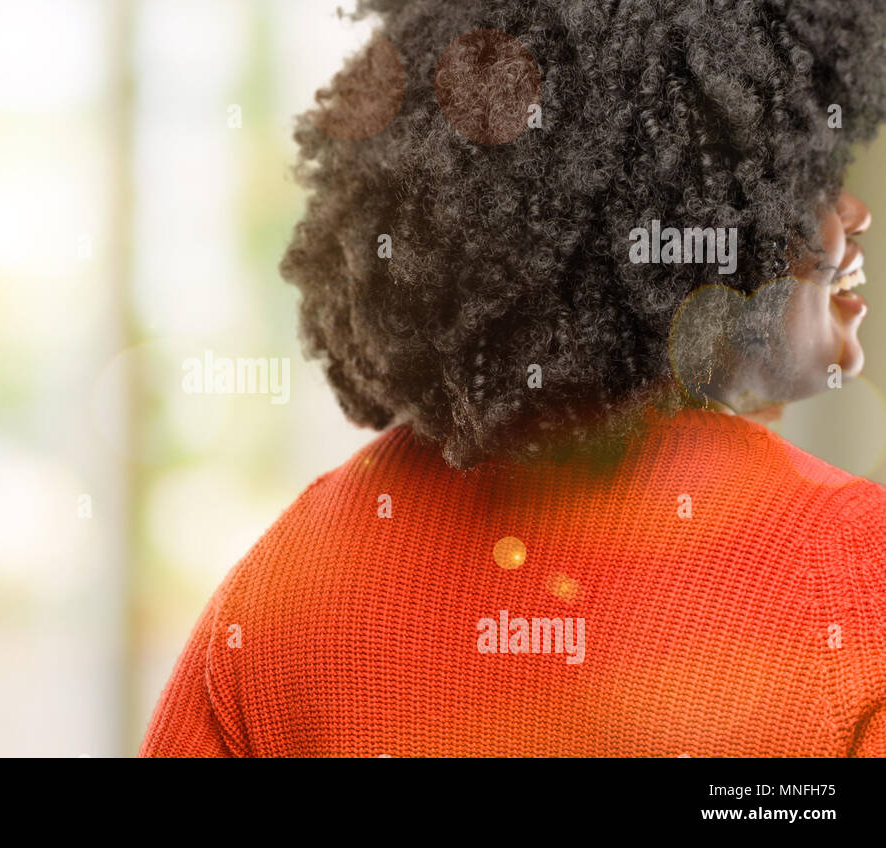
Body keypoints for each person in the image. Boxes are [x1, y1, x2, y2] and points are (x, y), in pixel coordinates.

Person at [141, 0, 886, 757]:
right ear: (689, 211)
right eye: (806, 172)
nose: (853, 212)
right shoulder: (858, 575)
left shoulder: (286, 583)